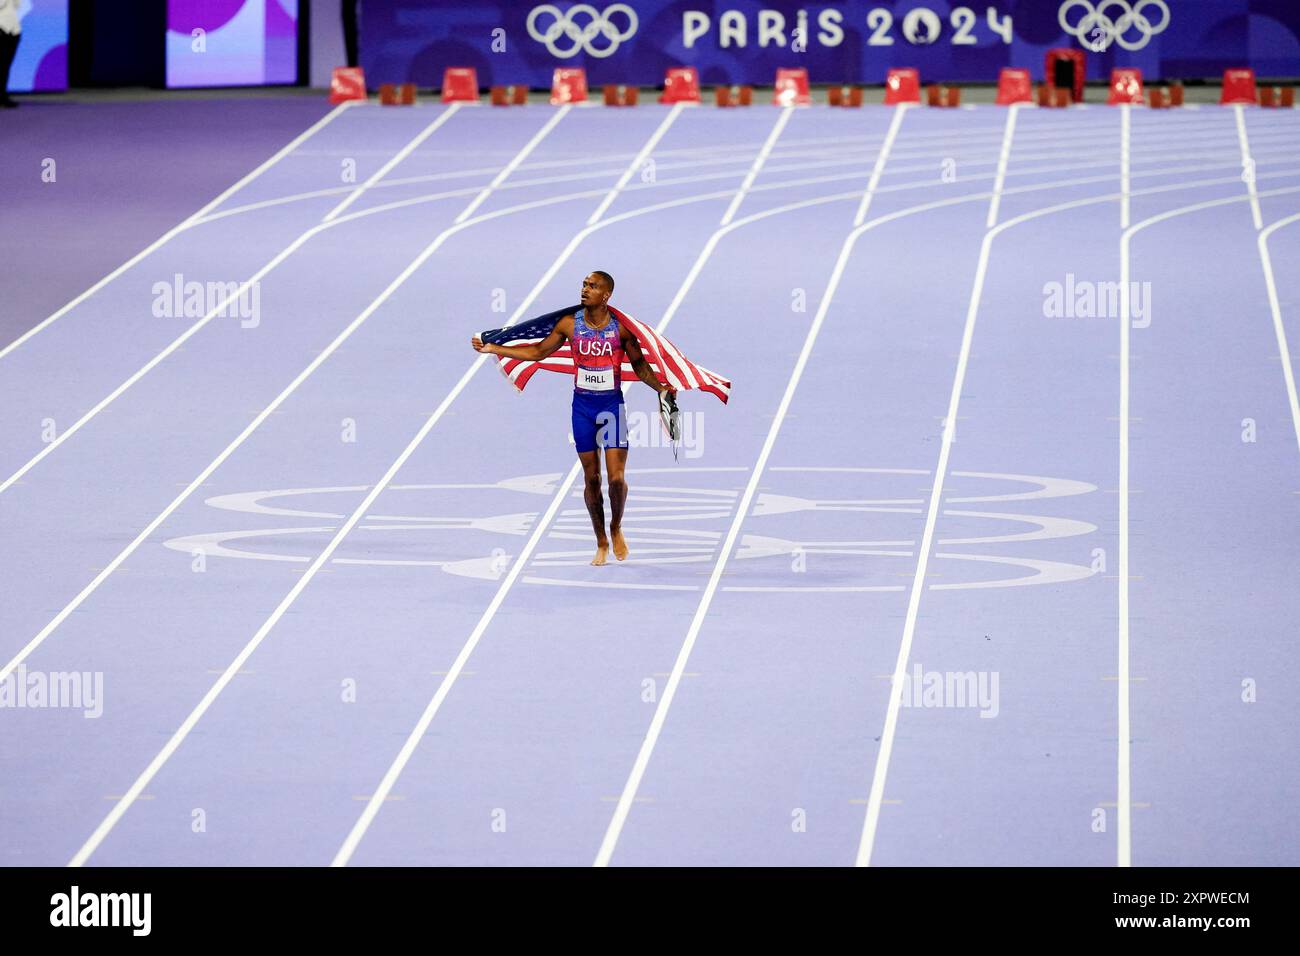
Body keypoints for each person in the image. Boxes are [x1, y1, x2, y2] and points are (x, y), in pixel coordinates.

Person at [471, 271, 673, 566]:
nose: (585, 289)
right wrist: (495, 348)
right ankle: (601, 541)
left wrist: (662, 389)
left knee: (616, 480)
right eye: (584, 284)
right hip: (583, 409)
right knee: (592, 478)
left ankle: (616, 527)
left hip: (611, 407)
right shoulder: (569, 324)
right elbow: (539, 351)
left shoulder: (621, 329)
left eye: (592, 286)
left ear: (606, 295)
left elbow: (641, 367)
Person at [0, 0, 20, 109]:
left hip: (14, 30)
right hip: (1, 28)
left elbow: (17, 5)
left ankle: (3, 96)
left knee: (5, 66)